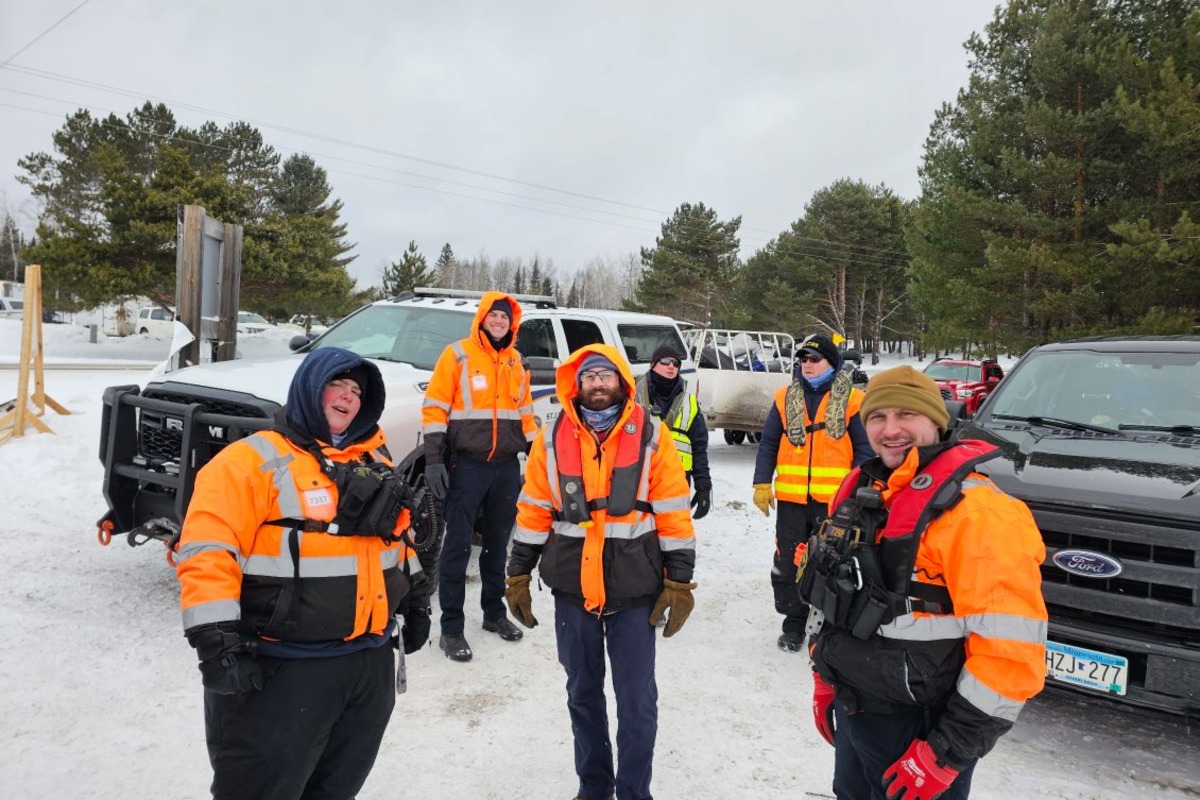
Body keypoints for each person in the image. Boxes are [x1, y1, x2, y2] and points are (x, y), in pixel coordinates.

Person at [175, 347, 431, 800]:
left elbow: (396, 542)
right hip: (284, 669)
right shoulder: (249, 462)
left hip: (367, 665)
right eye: (338, 385)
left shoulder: (375, 462)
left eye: (357, 391)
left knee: (336, 788)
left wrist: (414, 597)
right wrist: (215, 641)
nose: (348, 397)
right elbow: (208, 550)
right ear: (311, 388)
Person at [799, 365, 1047, 800]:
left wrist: (946, 753)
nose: (890, 430)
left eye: (905, 415)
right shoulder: (861, 490)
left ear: (936, 419)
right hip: (856, 706)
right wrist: (825, 677)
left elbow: (1011, 655)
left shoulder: (980, 513)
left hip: (922, 729)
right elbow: (831, 593)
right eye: (878, 417)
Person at [504, 344, 697, 800]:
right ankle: (593, 787)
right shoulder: (551, 439)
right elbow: (533, 509)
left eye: (605, 375)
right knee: (582, 696)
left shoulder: (652, 435)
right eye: (589, 376)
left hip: (635, 591)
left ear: (621, 382)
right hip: (572, 589)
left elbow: (673, 512)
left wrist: (679, 579)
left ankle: (634, 791)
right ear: (577, 382)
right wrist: (517, 573)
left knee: (636, 703)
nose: (597, 383)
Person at [421, 291, 537, 662]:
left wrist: (537, 455)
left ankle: (494, 614)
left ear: (512, 324)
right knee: (456, 547)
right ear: (483, 318)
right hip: (467, 465)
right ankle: (451, 628)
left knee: (497, 545)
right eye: (494, 316)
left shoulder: (516, 360)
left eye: (505, 318)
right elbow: (435, 407)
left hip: (505, 468)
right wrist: (434, 458)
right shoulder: (458, 355)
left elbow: (527, 413)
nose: (499, 322)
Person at [752, 332, 872, 652]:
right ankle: (793, 623)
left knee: (830, 564)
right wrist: (762, 482)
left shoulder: (854, 401)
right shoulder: (782, 398)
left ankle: (829, 626)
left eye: (814, 359)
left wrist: (855, 494)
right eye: (803, 359)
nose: (807, 365)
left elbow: (864, 452)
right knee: (789, 563)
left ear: (831, 363)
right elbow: (768, 444)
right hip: (792, 502)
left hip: (834, 505)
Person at [633, 342, 713, 520]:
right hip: (637, 476)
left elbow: (699, 448)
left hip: (676, 479)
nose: (671, 366)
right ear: (653, 364)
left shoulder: (689, 402)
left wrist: (704, 486)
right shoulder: (632, 396)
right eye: (665, 361)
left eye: (676, 363)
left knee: (673, 531)